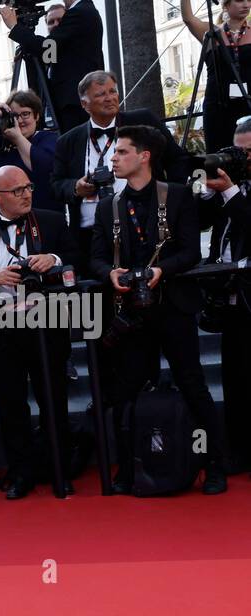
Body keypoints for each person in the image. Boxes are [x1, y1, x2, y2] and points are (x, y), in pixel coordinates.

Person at [89, 125, 228, 494]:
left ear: (144, 156)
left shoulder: (178, 195)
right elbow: (96, 258)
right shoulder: (107, 206)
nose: (114, 158)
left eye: (121, 152)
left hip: (174, 307)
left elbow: (191, 252)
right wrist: (110, 273)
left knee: (193, 386)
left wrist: (160, 270)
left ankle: (214, 464)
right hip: (132, 313)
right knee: (128, 390)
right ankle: (128, 469)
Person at [0, 165, 79, 498]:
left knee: (53, 399)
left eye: (28, 187)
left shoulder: (52, 221)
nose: (26, 195)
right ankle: (21, 473)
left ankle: (59, 468)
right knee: (11, 405)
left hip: (48, 319)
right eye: (17, 190)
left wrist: (52, 258)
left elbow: (77, 258)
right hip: (2, 326)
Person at [51, 71, 190, 262]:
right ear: (84, 104)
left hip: (146, 226)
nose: (109, 98)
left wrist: (172, 201)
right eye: (101, 94)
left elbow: (177, 159)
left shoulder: (143, 120)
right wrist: (76, 188)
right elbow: (56, 184)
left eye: (113, 91)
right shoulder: (68, 141)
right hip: (91, 235)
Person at [197, 118, 251, 472]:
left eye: (248, 152)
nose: (242, 158)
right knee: (235, 378)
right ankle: (238, 451)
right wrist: (204, 193)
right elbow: (199, 222)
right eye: (237, 151)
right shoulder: (227, 185)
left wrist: (230, 193)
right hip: (228, 295)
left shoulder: (234, 190)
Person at [3, 0, 105, 130]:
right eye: (51, 22)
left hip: (75, 106)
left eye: (61, 22)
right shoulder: (85, 12)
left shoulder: (80, 12)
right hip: (73, 105)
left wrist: (14, 27)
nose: (57, 25)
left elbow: (46, 47)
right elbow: (47, 54)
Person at [179, 0, 251, 155]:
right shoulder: (211, 31)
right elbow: (188, 18)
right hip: (218, 105)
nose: (246, 5)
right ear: (226, 5)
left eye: (249, 0)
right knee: (219, 154)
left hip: (248, 102)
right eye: (240, 0)